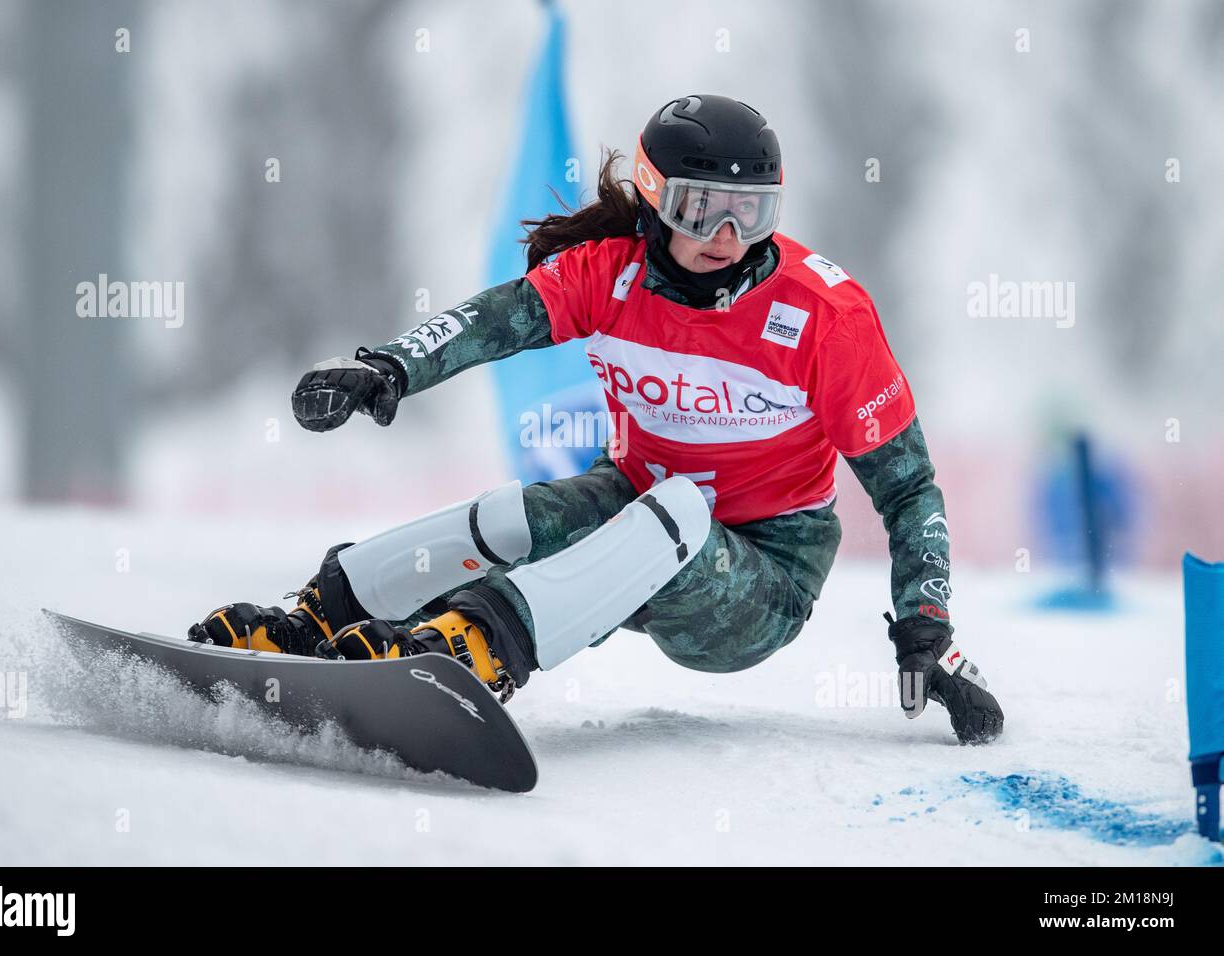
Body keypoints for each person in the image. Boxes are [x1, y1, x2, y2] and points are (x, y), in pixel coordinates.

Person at [190, 94, 1004, 743]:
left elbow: (908, 490)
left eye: (749, 215)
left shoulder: (825, 317)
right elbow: (491, 323)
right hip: (633, 509)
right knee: (524, 512)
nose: (726, 237)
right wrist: (389, 365)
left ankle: (476, 651)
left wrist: (927, 628)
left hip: (759, 581)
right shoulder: (608, 275)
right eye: (700, 209)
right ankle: (321, 613)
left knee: (678, 501)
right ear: (655, 202)